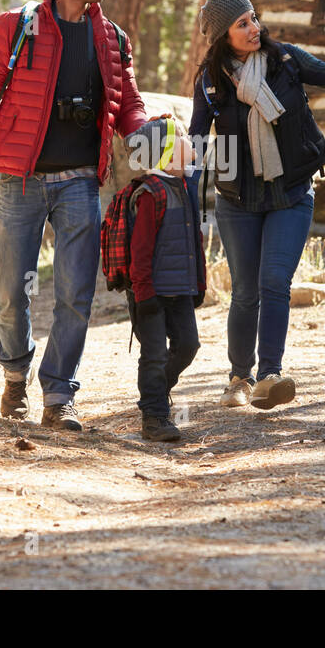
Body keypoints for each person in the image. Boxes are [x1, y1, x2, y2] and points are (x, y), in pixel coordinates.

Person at [0, 0, 149, 431]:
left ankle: (59, 395)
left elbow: (129, 105)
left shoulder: (111, 37)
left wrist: (152, 139)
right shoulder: (18, 27)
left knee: (76, 292)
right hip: (21, 181)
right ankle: (16, 374)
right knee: (12, 290)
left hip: (80, 181)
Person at [188, 0, 325, 410]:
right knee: (245, 291)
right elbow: (196, 138)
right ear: (223, 35)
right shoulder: (209, 81)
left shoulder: (286, 60)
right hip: (237, 199)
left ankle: (269, 376)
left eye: (254, 19)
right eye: (242, 24)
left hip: (291, 193)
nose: (254, 28)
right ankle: (238, 378)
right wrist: (181, 186)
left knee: (274, 282)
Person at [121, 117, 205, 442]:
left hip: (181, 290)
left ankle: (155, 393)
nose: (191, 141)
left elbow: (192, 242)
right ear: (168, 155)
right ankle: (154, 417)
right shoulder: (149, 194)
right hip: (150, 294)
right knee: (154, 353)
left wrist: (198, 285)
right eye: (183, 137)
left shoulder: (182, 187)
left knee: (188, 345)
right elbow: (140, 252)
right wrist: (144, 295)